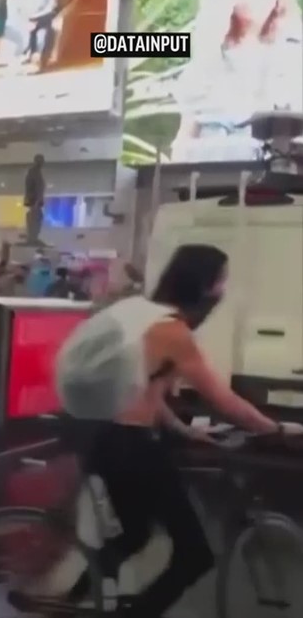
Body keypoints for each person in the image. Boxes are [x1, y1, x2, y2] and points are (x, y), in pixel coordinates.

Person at [71, 244, 301, 618]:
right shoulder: (173, 331)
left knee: (134, 534)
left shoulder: (145, 317)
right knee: (194, 556)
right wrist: (276, 429)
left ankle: (71, 601)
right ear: (204, 285)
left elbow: (141, 387)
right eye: (221, 280)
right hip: (130, 444)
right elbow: (223, 401)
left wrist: (181, 428)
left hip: (104, 437)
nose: (224, 290)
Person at [24, 154, 46, 243]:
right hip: (34, 200)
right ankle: (32, 238)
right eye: (41, 160)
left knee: (37, 217)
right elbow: (35, 187)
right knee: (35, 217)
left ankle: (33, 237)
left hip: (35, 200)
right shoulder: (34, 172)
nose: (42, 163)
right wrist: (36, 201)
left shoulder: (36, 171)